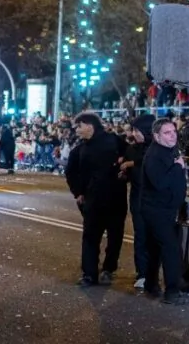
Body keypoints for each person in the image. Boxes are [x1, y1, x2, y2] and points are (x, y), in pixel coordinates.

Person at [65, 113, 128, 287]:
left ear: (89, 126)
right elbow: (70, 172)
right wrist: (78, 193)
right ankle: (89, 274)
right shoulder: (79, 150)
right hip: (92, 200)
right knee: (91, 237)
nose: (76, 130)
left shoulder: (114, 141)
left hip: (115, 198)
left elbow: (131, 156)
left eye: (79, 126)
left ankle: (108, 268)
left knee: (115, 236)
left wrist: (125, 167)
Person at [140, 118, 189, 304]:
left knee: (156, 248)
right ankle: (172, 291)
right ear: (156, 136)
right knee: (170, 248)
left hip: (167, 208)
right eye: (167, 133)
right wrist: (178, 167)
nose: (172, 136)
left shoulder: (169, 150)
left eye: (174, 132)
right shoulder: (154, 156)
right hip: (157, 210)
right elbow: (160, 183)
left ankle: (151, 284)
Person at [119, 113, 155, 290]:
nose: (134, 134)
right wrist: (123, 171)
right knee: (141, 236)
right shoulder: (132, 149)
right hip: (138, 198)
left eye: (137, 130)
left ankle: (154, 273)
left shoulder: (157, 148)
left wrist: (132, 164)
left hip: (156, 199)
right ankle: (142, 272)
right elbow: (128, 174)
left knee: (156, 237)